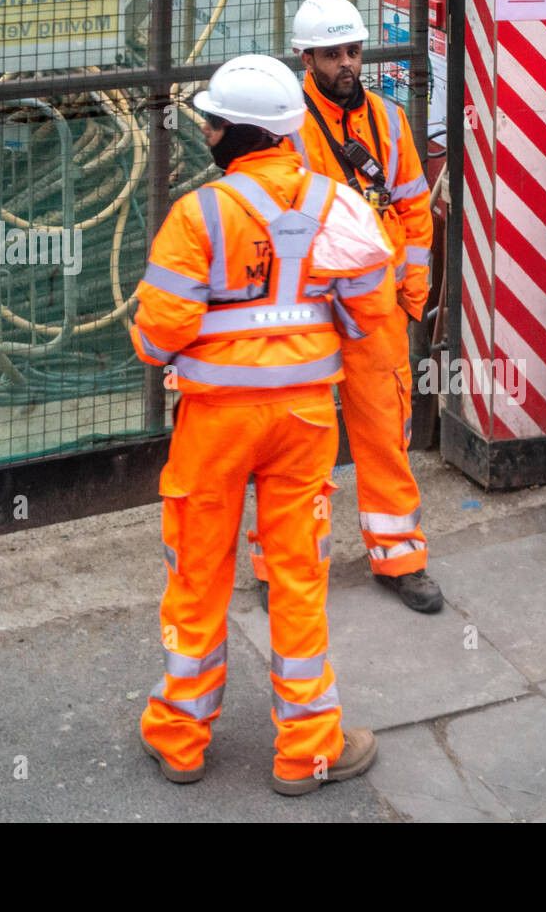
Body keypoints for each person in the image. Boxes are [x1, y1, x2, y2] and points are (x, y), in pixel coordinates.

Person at [132, 54, 396, 795]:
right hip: (307, 418)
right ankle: (308, 750)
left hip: (216, 424)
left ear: (236, 134)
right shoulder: (337, 203)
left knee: (199, 573)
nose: (206, 130)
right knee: (297, 576)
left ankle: (180, 739)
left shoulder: (199, 214)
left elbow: (158, 337)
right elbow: (372, 311)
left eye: (212, 121)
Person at [249, 0, 441, 614]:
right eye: (331, 54)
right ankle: (285, 562)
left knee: (385, 431)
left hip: (375, 305)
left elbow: (413, 206)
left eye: (352, 51)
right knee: (299, 437)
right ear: (306, 58)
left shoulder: (388, 119)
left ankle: (400, 557)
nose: (346, 64)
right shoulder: (285, 129)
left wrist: (410, 290)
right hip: (306, 305)